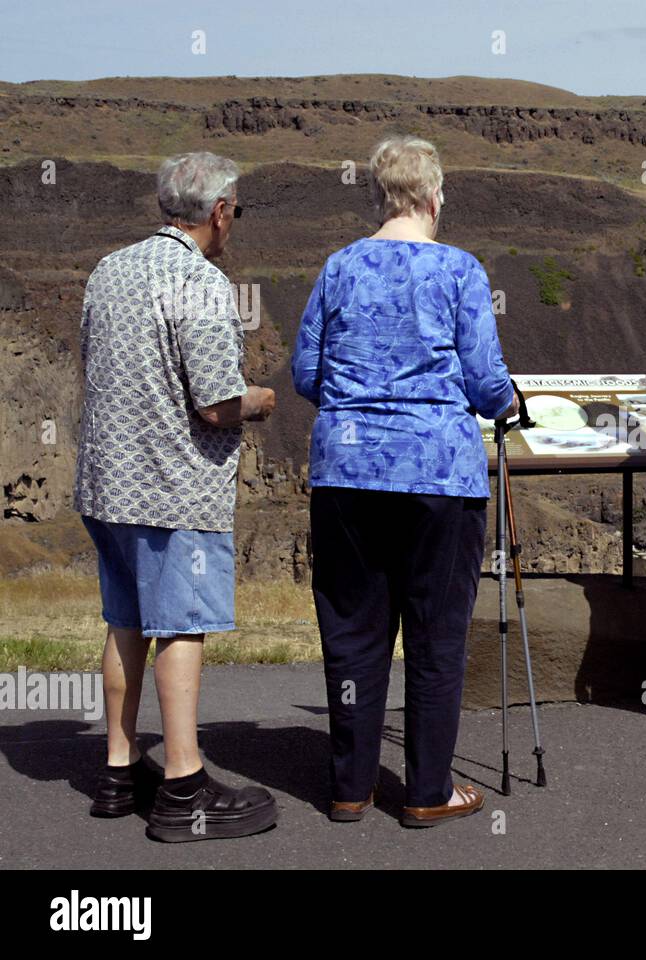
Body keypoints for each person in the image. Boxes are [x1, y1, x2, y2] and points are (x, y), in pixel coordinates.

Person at [292, 135, 516, 826]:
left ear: (379, 195)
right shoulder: (459, 270)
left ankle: (350, 786)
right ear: (433, 197)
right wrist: (508, 400)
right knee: (435, 634)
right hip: (438, 476)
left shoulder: (340, 267)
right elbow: (484, 383)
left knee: (354, 633)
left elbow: (307, 372)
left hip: (348, 471)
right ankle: (427, 792)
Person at [76, 151, 279, 842]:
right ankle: (184, 784)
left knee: (125, 621)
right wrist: (262, 399)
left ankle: (117, 768)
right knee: (180, 624)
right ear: (218, 212)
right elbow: (218, 403)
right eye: (236, 212)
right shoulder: (199, 282)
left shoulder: (110, 270)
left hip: (107, 480)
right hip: (173, 487)